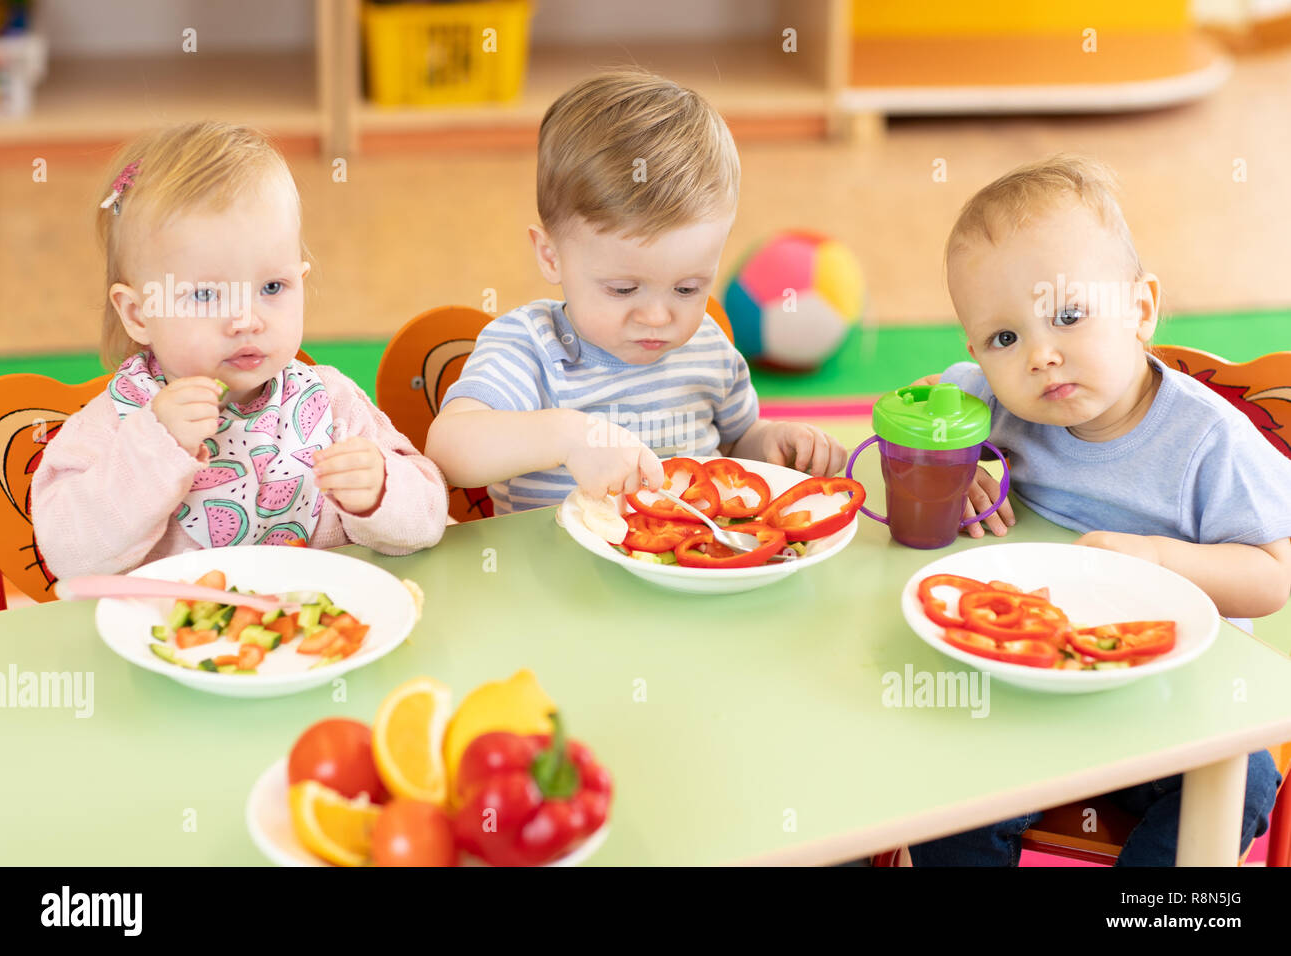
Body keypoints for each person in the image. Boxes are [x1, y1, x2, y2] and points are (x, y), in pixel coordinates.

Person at [908, 154, 1290, 865]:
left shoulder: (1209, 440)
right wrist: (951, 466)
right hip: (1028, 680)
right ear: (978, 353)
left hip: (1172, 696)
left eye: (1069, 316)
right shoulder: (987, 399)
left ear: (1140, 310)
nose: (1041, 356)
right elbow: (923, 403)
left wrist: (1155, 558)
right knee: (938, 785)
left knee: (1244, 782)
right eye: (1005, 338)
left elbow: (1273, 577)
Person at [33, 121, 449, 577]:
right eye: (207, 295)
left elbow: (429, 521)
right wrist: (155, 447)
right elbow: (70, 557)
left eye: (272, 286)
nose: (247, 320)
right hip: (174, 640)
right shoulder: (115, 423)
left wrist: (382, 491)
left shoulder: (331, 402)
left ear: (301, 283)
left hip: (321, 636)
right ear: (137, 313)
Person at [424, 69, 848, 515]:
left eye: (687, 287)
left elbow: (738, 440)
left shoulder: (707, 346)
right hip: (550, 580)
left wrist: (774, 443)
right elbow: (449, 449)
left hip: (687, 571)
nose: (657, 317)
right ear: (551, 257)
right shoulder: (528, 347)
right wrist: (570, 437)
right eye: (624, 289)